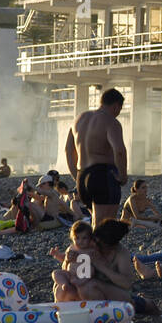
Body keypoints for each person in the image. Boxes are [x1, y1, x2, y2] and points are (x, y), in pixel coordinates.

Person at [67, 88, 128, 230]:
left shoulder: (78, 119)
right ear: (116, 106)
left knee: (95, 223)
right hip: (103, 175)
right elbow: (119, 151)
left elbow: (68, 151)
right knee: (105, 228)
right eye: (119, 110)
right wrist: (123, 176)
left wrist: (76, 176)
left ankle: (90, 251)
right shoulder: (111, 122)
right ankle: (97, 252)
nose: (118, 114)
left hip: (82, 177)